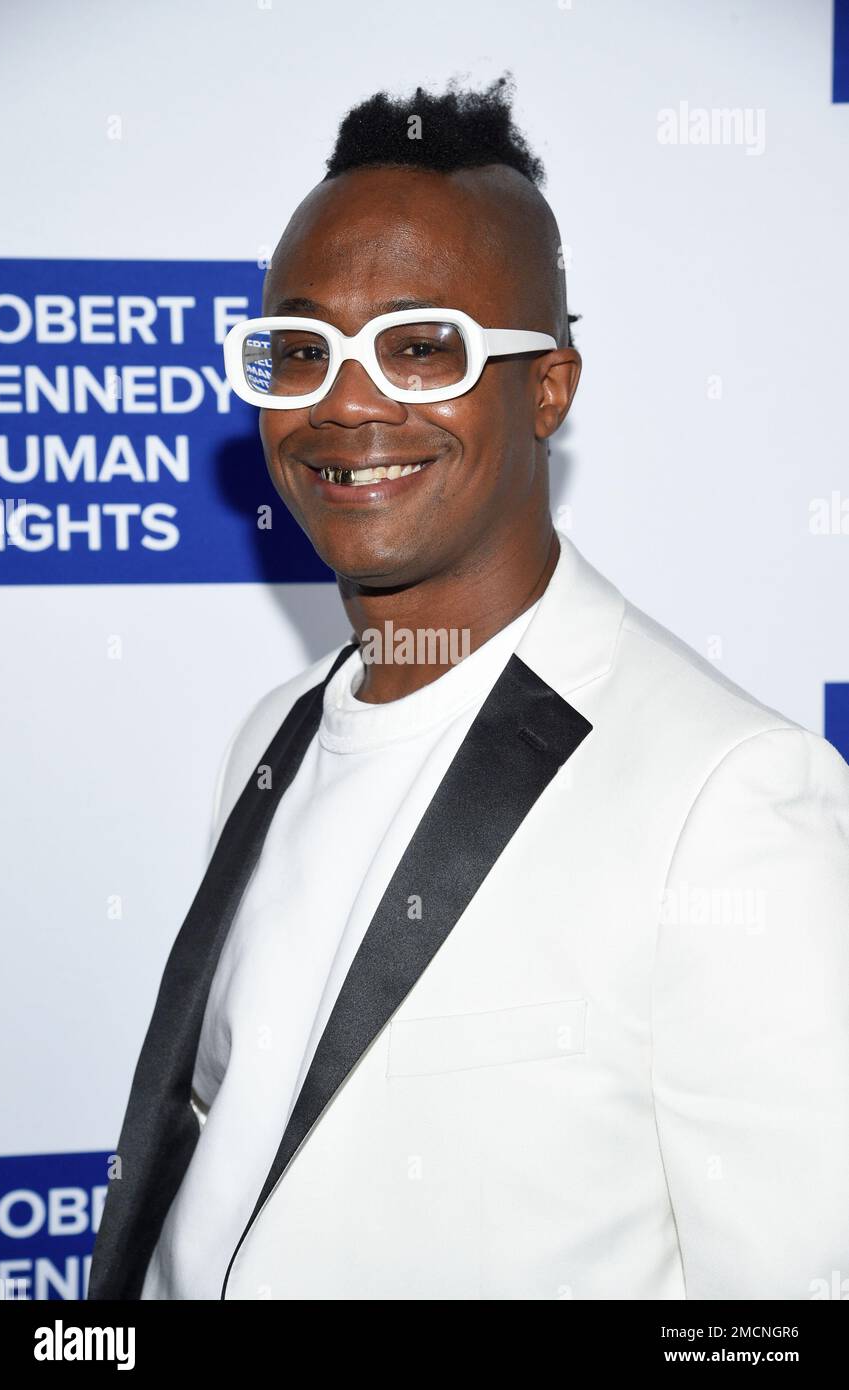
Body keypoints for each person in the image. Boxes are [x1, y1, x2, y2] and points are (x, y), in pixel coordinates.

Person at [88, 77, 849, 1302]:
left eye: (419, 344)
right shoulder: (268, 738)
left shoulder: (727, 799)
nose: (345, 398)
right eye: (301, 347)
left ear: (547, 386)